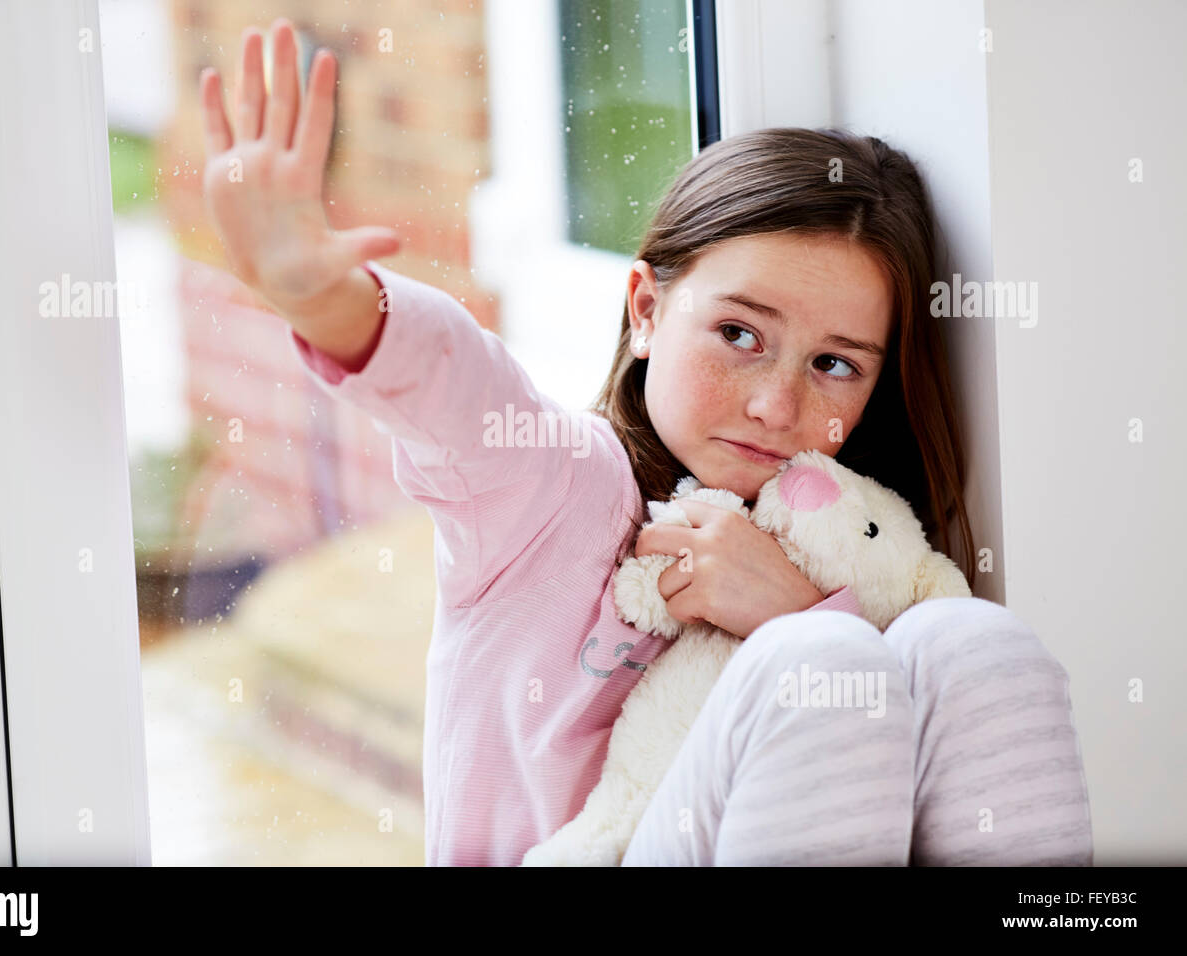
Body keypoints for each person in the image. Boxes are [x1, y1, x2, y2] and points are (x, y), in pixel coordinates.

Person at [197, 19, 1093, 866]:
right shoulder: (552, 488)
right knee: (820, 662)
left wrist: (793, 605)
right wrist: (324, 298)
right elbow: (455, 384)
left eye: (834, 364)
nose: (777, 405)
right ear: (647, 312)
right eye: (739, 334)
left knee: (976, 648)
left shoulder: (849, 544)